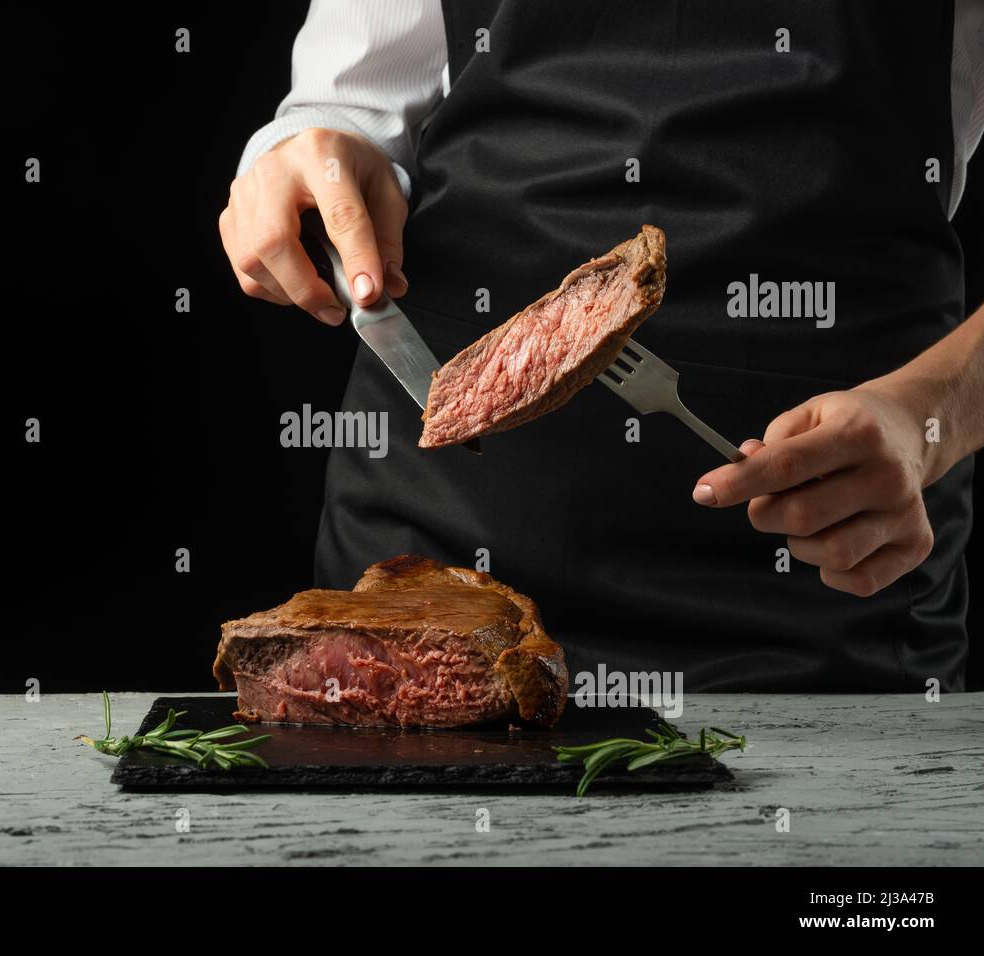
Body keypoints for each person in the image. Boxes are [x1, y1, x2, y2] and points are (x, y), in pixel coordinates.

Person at [219, 1, 984, 691]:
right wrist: (313, 154)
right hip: (444, 542)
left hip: (832, 546)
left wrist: (930, 412)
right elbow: (360, 102)